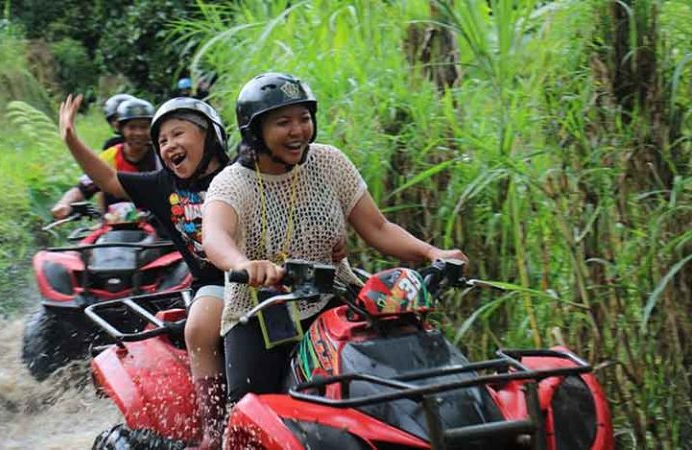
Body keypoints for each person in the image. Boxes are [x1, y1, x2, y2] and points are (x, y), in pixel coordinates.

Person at [202, 72, 468, 403]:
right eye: (283, 122)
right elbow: (214, 236)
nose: (298, 130)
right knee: (250, 410)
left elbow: (379, 228)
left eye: (304, 118)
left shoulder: (329, 162)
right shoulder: (232, 182)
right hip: (263, 311)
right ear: (255, 131)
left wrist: (433, 253)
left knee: (396, 378)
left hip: (337, 297)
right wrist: (244, 263)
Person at [58, 94, 229, 450]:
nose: (169, 145)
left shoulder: (238, 175)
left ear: (211, 136)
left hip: (264, 272)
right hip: (216, 282)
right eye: (162, 140)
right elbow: (107, 179)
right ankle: (215, 427)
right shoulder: (162, 185)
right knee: (199, 327)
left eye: (178, 134)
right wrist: (72, 140)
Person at [50, 97, 157, 220]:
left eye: (144, 127)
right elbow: (83, 187)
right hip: (112, 230)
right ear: (121, 129)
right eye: (132, 127)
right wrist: (64, 204)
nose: (138, 133)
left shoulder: (160, 157)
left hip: (156, 228)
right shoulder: (109, 156)